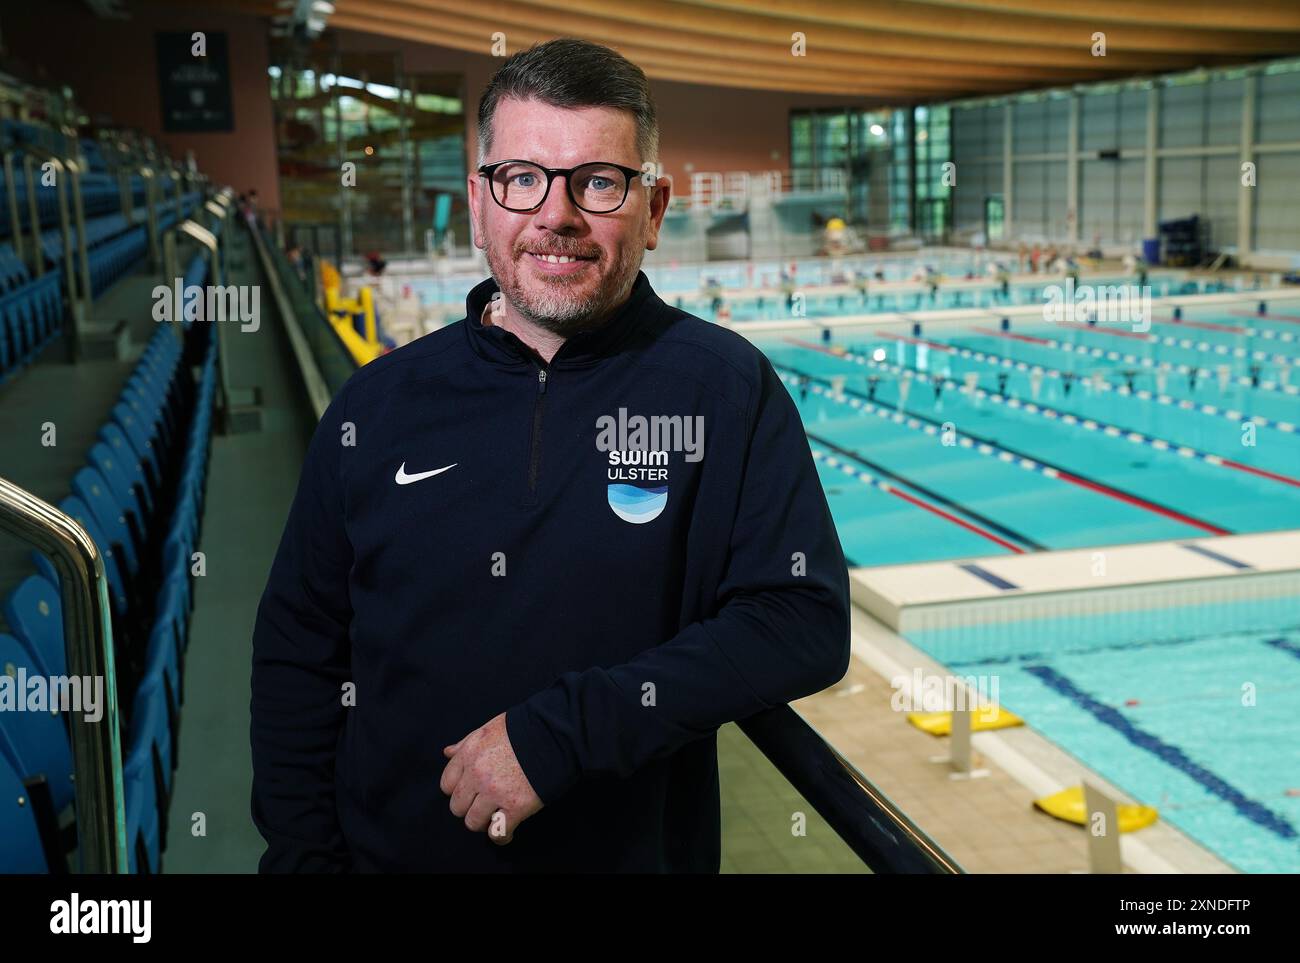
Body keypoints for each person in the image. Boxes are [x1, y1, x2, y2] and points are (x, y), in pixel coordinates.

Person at [250, 37, 850, 873]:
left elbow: (804, 622)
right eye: (521, 177)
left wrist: (561, 732)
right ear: (478, 201)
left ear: (655, 208)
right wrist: (302, 856)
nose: (555, 215)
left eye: (598, 182)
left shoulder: (724, 389)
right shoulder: (377, 405)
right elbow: (299, 647)